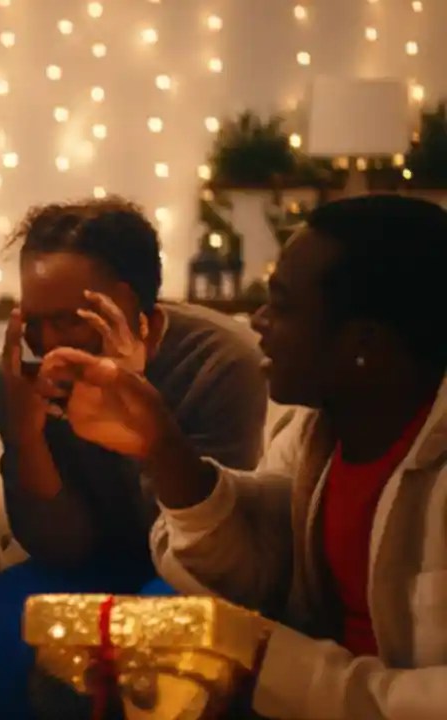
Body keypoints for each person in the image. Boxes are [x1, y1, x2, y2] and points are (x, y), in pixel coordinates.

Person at [38, 194, 447, 718]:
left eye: (282, 305)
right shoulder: (314, 433)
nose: (258, 321)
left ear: (362, 344)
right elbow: (255, 568)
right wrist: (162, 449)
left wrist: (258, 660)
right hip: (309, 696)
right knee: (71, 670)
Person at [0, 197, 267, 719]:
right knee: (1, 621)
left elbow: (202, 547)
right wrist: (28, 439)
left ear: (140, 313)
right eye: (34, 321)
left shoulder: (221, 362)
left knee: (156, 636)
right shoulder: (18, 377)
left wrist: (135, 404)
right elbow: (60, 549)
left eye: (72, 321)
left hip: (189, 571)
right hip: (85, 564)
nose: (48, 344)